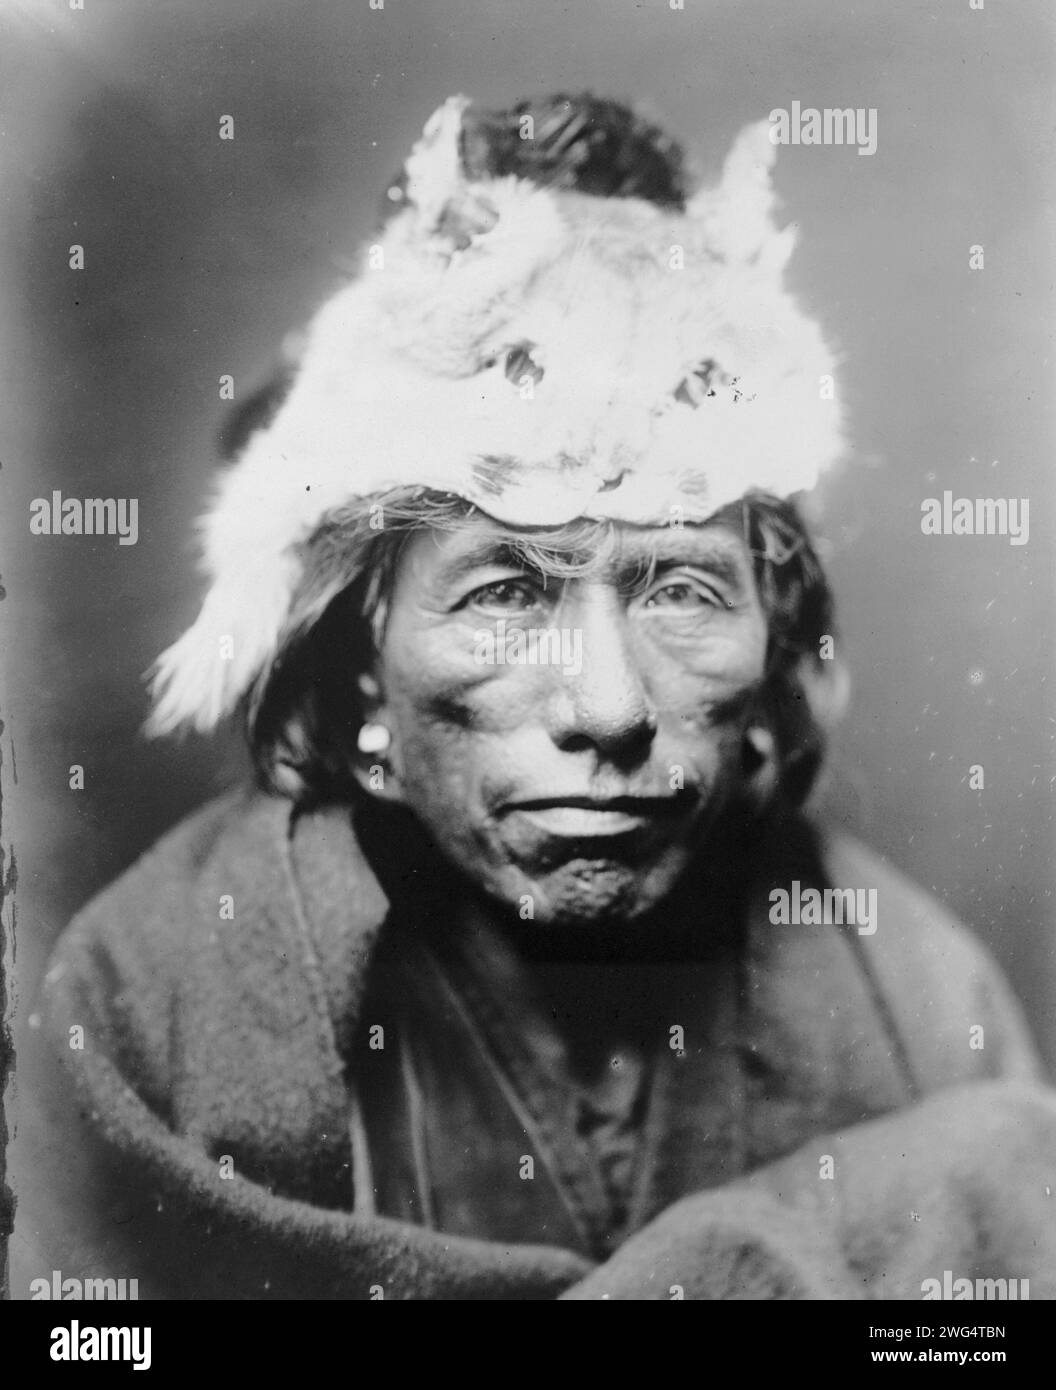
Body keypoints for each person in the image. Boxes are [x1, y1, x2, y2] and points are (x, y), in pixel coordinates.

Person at [31, 93, 1056, 1300]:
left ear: (773, 654)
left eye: (681, 590)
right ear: (362, 675)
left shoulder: (925, 1002)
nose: (609, 706)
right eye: (505, 594)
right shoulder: (148, 1010)